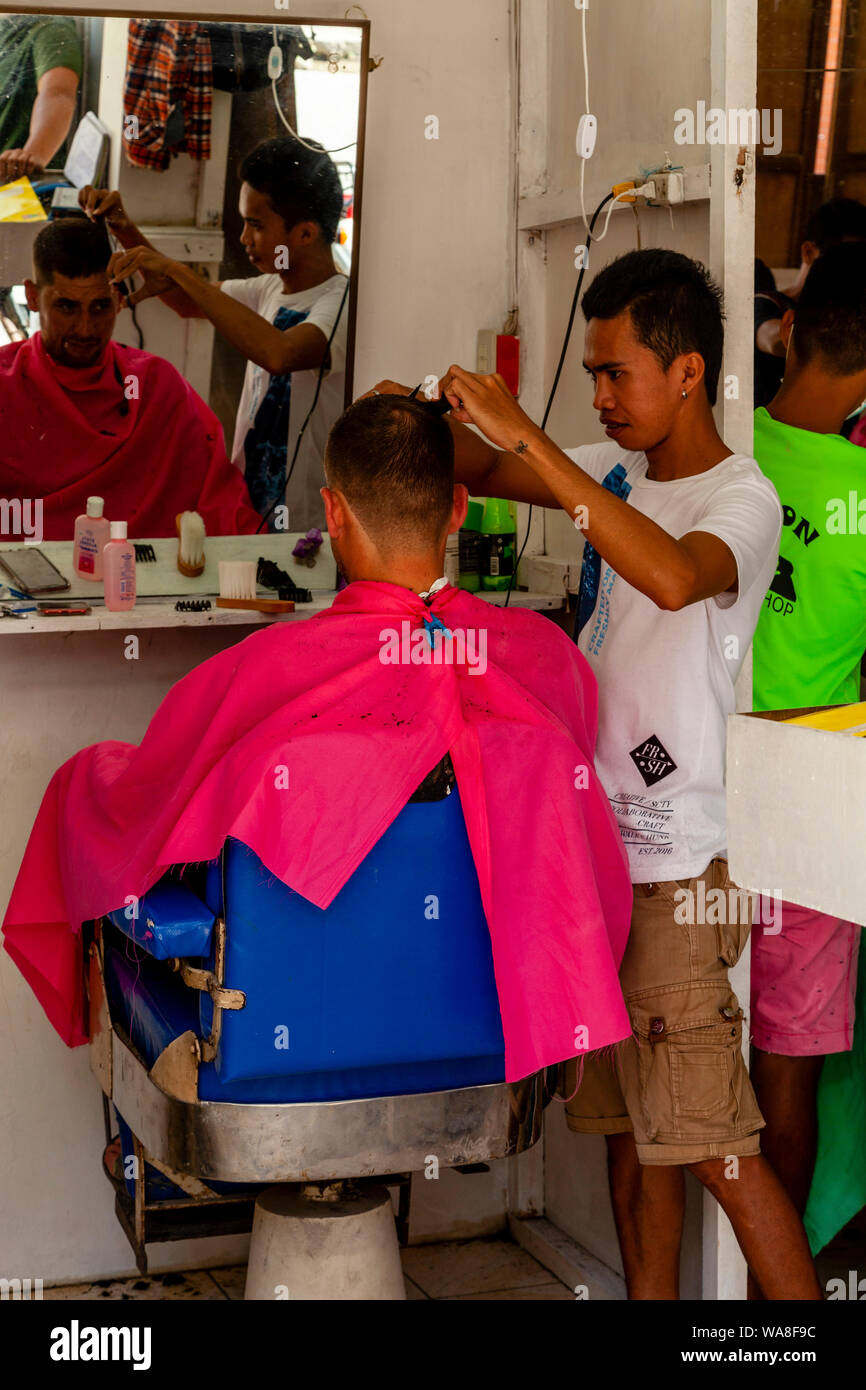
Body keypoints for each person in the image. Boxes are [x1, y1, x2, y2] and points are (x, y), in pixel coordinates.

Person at [365, 248, 822, 1299]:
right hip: (596, 867)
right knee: (629, 1152)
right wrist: (431, 419)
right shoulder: (611, 472)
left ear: (689, 373)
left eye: (617, 373)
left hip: (677, 874)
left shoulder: (739, 501)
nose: (602, 396)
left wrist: (524, 432)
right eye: (595, 376)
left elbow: (667, 577)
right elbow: (475, 474)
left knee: (716, 1149)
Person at [3, 395, 632, 1100]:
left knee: (90, 780)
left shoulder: (262, 669)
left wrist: (87, 778)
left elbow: (148, 801)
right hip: (491, 1044)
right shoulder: (548, 661)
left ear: (332, 513)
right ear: (458, 508)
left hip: (278, 1045)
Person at [749, 243, 866, 1284]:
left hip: (697, 780)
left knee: (679, 1041)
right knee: (786, 1061)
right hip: (813, 782)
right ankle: (766, 1298)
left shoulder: (717, 449)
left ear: (788, 326)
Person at [79, 135, 349, 532]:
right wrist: (125, 229)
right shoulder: (271, 287)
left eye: (255, 225)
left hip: (306, 522)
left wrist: (180, 272)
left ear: (305, 235)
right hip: (251, 504)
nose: (243, 238)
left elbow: (280, 354)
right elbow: (190, 302)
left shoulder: (340, 304)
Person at [0, 217, 260, 539]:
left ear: (119, 300)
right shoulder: (5, 387)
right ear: (33, 296)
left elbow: (223, 511)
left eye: (100, 307)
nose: (85, 329)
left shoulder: (155, 386)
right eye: (66, 307)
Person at [754, 197, 866, 409]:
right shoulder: (766, 304)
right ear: (808, 252)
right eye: (841, 259)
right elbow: (770, 338)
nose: (852, 269)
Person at [0, 14, 81, 185]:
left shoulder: (52, 29)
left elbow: (58, 92)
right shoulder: (5, 26)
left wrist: (27, 162)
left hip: (14, 190)